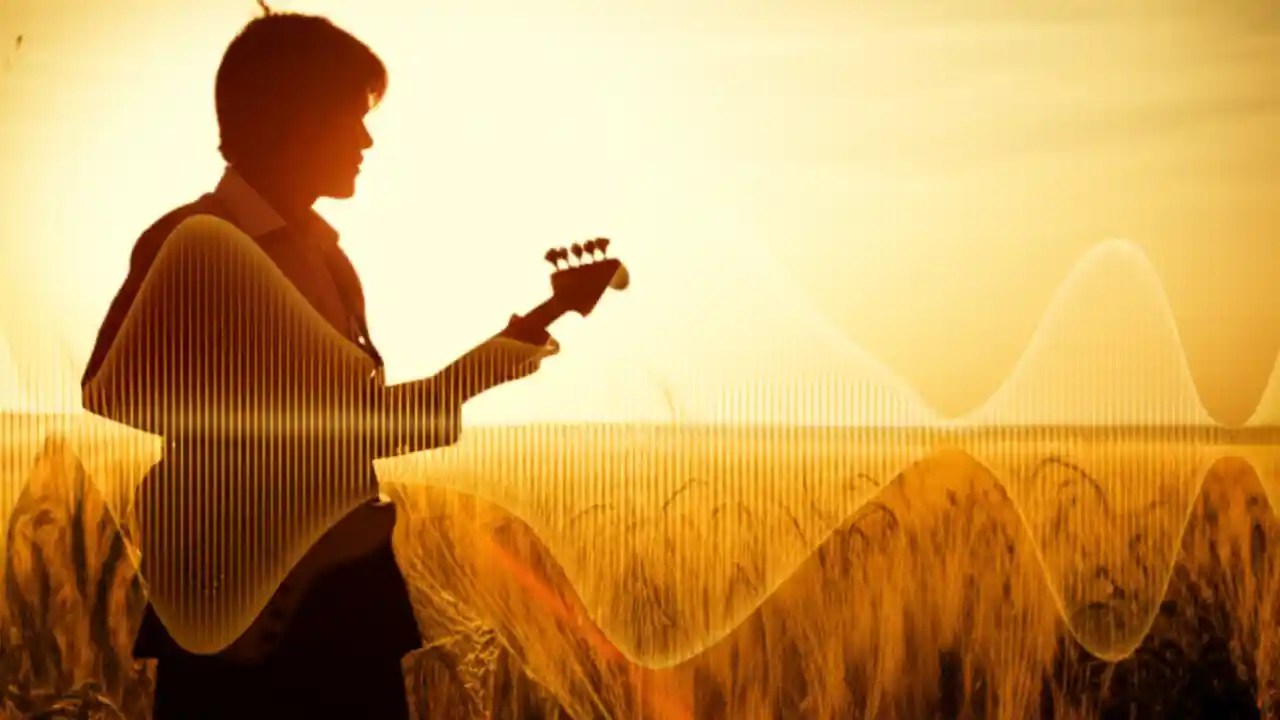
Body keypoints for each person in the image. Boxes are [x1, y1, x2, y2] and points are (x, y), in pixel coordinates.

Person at [80, 11, 555, 718]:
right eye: (350, 116)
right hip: (241, 603)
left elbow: (358, 428)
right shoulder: (195, 240)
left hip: (345, 603)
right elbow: (110, 388)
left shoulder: (331, 260)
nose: (366, 140)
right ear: (293, 118)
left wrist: (504, 353)